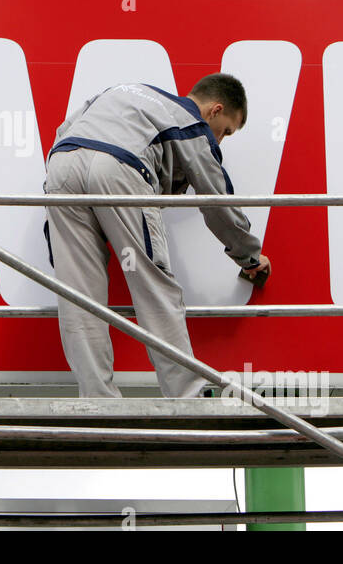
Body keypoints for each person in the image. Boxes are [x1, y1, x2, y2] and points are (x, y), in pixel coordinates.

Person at [41, 73, 270, 398]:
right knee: (153, 284)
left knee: (78, 295)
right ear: (214, 110)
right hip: (120, 169)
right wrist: (249, 256)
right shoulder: (190, 123)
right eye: (227, 131)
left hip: (62, 167)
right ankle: (186, 396)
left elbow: (64, 130)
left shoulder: (120, 88)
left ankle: (98, 401)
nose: (221, 140)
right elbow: (217, 202)